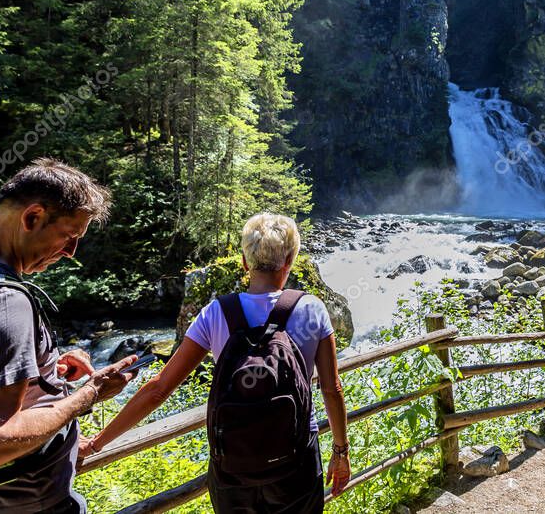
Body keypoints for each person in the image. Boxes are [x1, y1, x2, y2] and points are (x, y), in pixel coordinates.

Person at [81, 213, 351, 512]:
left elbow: (158, 389)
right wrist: (340, 451)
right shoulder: (311, 308)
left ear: (246, 263)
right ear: (290, 260)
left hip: (233, 464)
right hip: (295, 458)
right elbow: (331, 388)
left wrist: (97, 442)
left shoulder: (215, 313)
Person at [0, 158, 137, 513]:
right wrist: (86, 396)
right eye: (70, 237)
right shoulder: (8, 301)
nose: (71, 253)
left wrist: (43, 371)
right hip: (31, 503)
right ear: (33, 218)